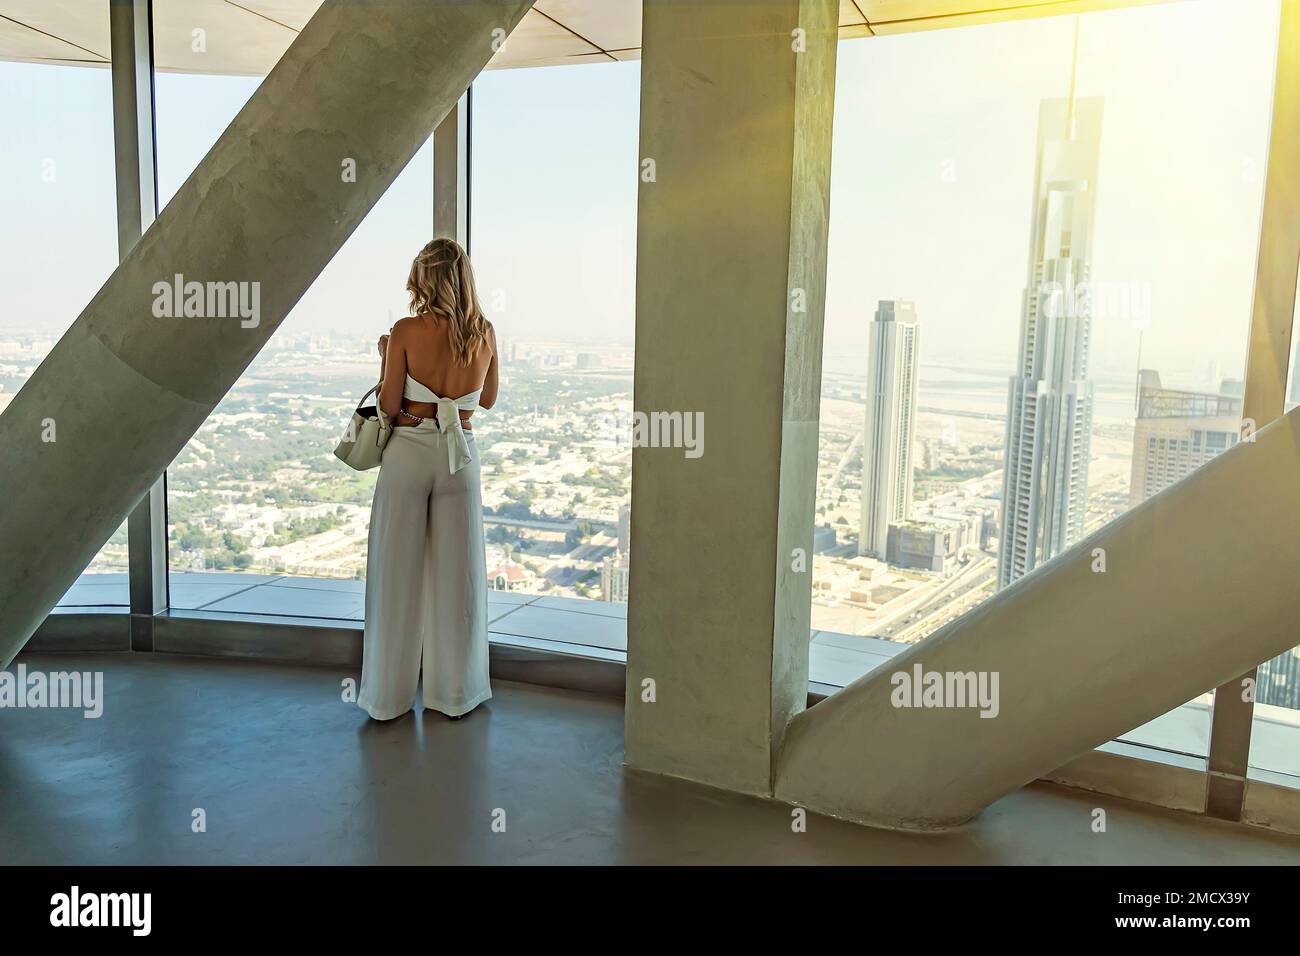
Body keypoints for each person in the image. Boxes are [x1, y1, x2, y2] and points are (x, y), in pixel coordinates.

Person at [357, 238, 498, 721]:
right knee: (457, 576)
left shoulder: (405, 330)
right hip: (462, 456)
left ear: (423, 278)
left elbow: (390, 406)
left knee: (395, 572)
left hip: (411, 452)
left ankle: (387, 700)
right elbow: (487, 401)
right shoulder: (486, 332)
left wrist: (386, 355)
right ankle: (455, 695)